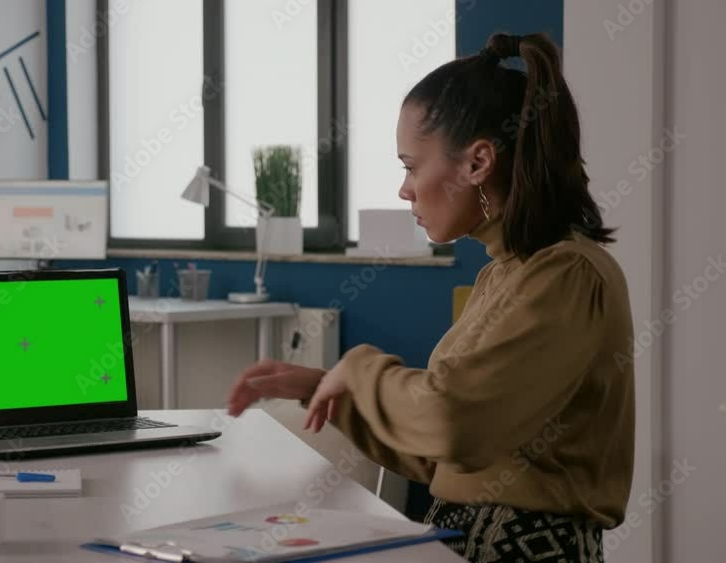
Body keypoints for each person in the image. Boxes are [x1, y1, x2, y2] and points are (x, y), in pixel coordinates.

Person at [226, 33, 633, 563]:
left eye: (411, 166)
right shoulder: (503, 275)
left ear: (478, 162)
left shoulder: (566, 276)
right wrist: (326, 389)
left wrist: (359, 368)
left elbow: (453, 423)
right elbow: (438, 454)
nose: (405, 189)